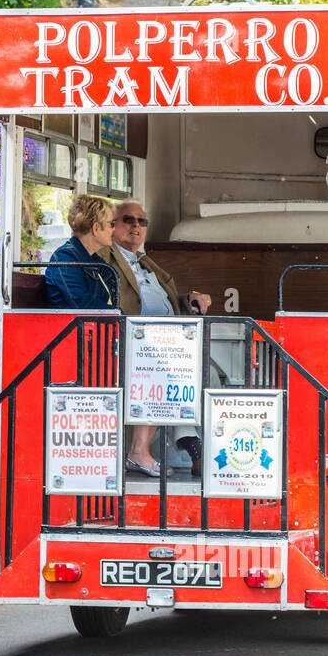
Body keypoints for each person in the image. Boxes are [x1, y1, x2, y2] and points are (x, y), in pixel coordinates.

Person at [104, 200, 212, 478]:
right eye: (128, 220)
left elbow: (161, 299)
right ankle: (143, 450)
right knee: (165, 367)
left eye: (142, 221)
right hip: (130, 337)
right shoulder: (106, 257)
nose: (136, 226)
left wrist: (188, 300)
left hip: (165, 335)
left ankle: (190, 438)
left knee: (206, 367)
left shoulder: (144, 260)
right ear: (112, 225)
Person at [44, 194, 120, 310]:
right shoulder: (64, 258)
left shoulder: (97, 262)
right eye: (111, 224)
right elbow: (83, 305)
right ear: (96, 228)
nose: (114, 229)